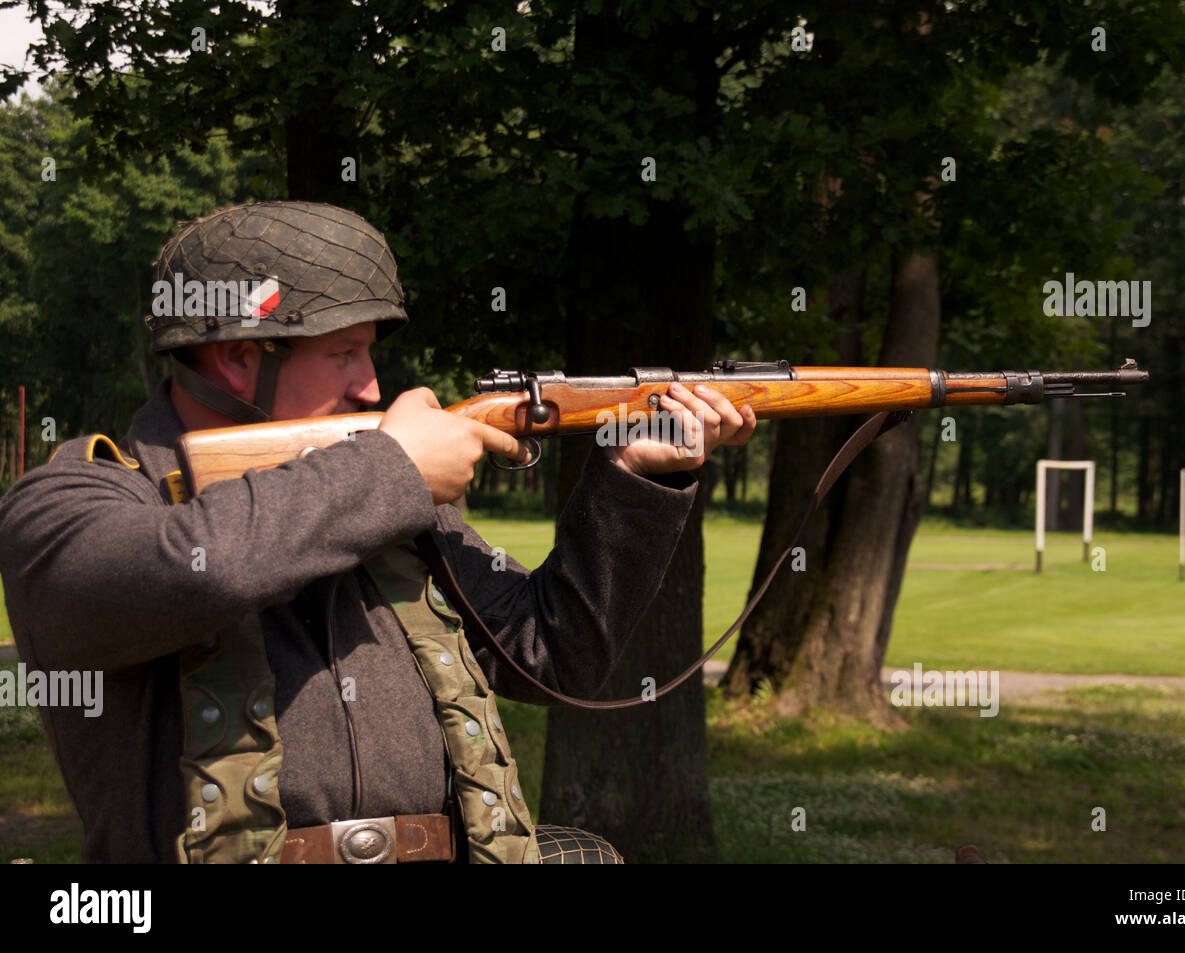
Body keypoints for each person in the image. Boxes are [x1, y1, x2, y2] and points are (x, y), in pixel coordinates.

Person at [0, 201, 755, 864]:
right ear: (236, 360)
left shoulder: (382, 501)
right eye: (342, 353)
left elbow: (552, 654)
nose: (370, 383)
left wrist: (636, 475)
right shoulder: (75, 502)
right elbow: (207, 569)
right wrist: (392, 468)